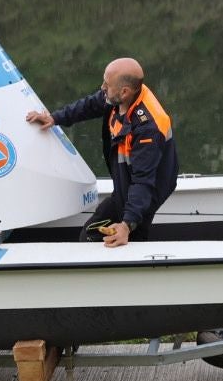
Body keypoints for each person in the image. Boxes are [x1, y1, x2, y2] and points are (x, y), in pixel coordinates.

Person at [25, 56, 178, 248]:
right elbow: (90, 105)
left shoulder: (148, 128)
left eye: (107, 84)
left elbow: (143, 182)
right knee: (90, 233)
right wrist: (54, 118)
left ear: (124, 92)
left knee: (130, 241)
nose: (102, 87)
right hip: (126, 184)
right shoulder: (121, 96)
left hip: (146, 191)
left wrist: (127, 224)